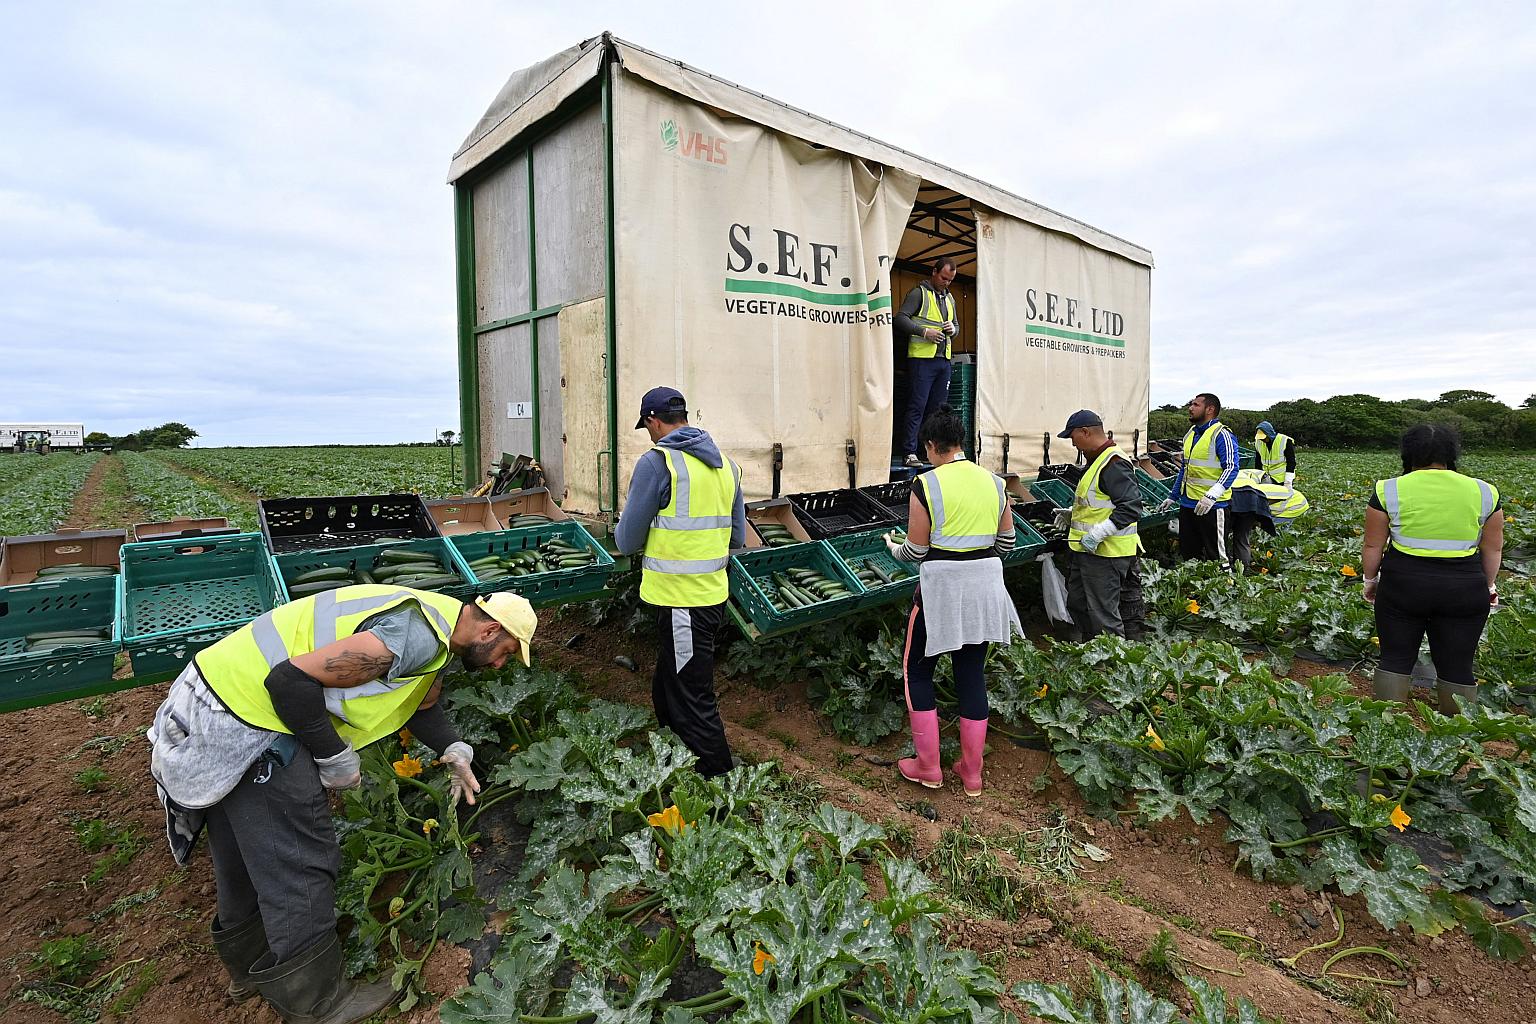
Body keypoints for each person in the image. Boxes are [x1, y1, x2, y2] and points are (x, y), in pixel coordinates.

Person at [148, 586, 537, 1023]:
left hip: (213, 700)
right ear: (490, 629)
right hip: (251, 720)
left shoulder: (438, 630)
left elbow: (420, 704)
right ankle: (319, 1003)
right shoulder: (418, 634)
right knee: (300, 859)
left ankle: (248, 971)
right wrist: (332, 754)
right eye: (505, 651)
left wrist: (453, 747)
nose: (501, 663)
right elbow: (288, 681)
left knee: (240, 853)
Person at [886, 406, 1022, 797]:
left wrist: (893, 548)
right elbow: (1007, 543)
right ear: (961, 442)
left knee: (918, 671)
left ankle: (928, 767)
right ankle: (971, 774)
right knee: (971, 674)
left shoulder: (925, 485)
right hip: (984, 590)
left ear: (931, 446)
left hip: (940, 591)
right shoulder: (995, 483)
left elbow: (916, 551)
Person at [615, 386, 746, 777]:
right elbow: (737, 537)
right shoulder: (727, 464)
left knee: (692, 694)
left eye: (647, 427)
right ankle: (672, 752)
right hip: (708, 596)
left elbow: (626, 540)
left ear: (654, 420)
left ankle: (718, 775)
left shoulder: (658, 464)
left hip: (681, 601)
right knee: (669, 679)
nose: (649, 434)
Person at [1362, 424, 1503, 713]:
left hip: (1403, 585)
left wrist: (1369, 580)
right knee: (1458, 663)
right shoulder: (1485, 492)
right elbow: (1493, 548)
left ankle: (1387, 723)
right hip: (1464, 587)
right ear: (1451, 454)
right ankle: (1454, 733)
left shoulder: (1388, 489)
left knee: (1396, 657)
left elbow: (1373, 546)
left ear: (1408, 453)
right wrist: (1489, 586)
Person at [1057, 410, 1144, 638]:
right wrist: (1073, 514)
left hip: (1106, 553)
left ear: (1085, 432)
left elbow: (1131, 507)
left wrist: (1098, 533)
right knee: (1079, 604)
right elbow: (1101, 502)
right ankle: (1092, 653)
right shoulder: (1098, 460)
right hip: (1087, 551)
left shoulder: (1113, 462)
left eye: (1072, 437)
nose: (1073, 444)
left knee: (1103, 615)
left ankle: (1111, 667)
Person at [894, 257, 960, 468]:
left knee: (938, 411)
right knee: (917, 406)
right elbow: (900, 318)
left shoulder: (950, 299)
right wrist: (923, 331)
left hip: (943, 361)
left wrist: (953, 329)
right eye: (943, 278)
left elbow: (957, 327)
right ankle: (909, 452)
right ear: (934, 272)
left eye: (950, 280)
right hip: (922, 360)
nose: (946, 283)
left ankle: (930, 452)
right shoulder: (918, 293)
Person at [1169, 393, 1240, 565]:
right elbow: (1185, 469)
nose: (1190, 408)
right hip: (1188, 505)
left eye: (1195, 405)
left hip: (1213, 507)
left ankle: (1225, 589)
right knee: (1189, 554)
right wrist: (1173, 496)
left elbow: (1231, 467)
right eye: (1191, 404)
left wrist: (1212, 495)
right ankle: (1196, 590)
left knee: (1216, 555)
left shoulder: (1221, 434)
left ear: (1210, 409)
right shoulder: (1191, 434)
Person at [1227, 469, 1311, 572]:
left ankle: (1278, 558)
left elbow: (1261, 513)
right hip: (1281, 502)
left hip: (1294, 505)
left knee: (1275, 536)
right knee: (1243, 536)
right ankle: (1246, 566)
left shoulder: (1258, 492)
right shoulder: (1251, 487)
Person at [1253, 421, 1297, 489]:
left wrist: (1288, 481)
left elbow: (1291, 462)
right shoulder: (1258, 443)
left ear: (1269, 434)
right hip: (1267, 479)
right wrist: (1258, 476)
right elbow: (1258, 462)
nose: (1262, 440)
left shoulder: (1285, 441)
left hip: (1282, 479)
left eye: (1264, 437)